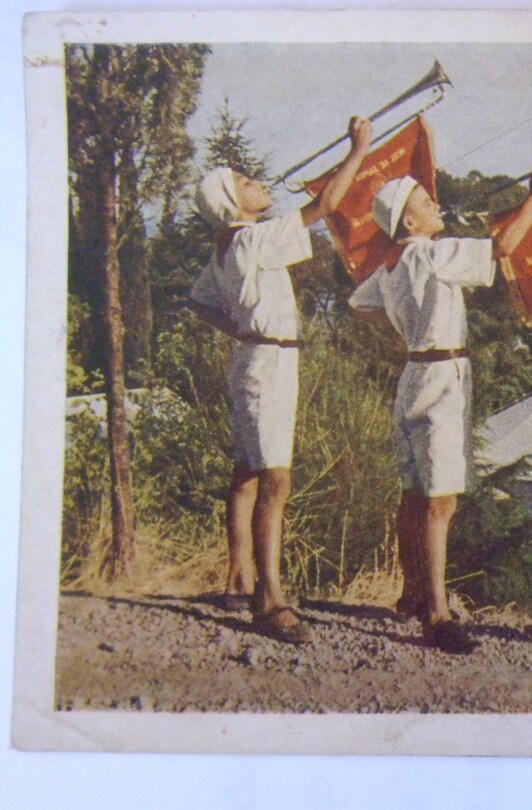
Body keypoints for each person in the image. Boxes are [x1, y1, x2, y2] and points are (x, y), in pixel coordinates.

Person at [349, 162, 532, 654]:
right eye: (425, 202)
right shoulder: (433, 254)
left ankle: (413, 592)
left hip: (413, 375)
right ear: (410, 223)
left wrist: (410, 322)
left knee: (415, 493)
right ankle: (438, 614)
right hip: (442, 379)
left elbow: (360, 303)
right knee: (442, 501)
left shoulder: (393, 264)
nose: (435, 205)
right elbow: (503, 248)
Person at [189, 116, 374, 643]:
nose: (258, 183)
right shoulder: (250, 240)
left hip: (255, 357)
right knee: (276, 479)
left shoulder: (225, 244)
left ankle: (239, 576)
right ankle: (270, 598)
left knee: (247, 470)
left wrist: (242, 328)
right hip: (268, 364)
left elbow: (198, 300)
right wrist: (357, 150)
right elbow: (325, 208)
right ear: (232, 202)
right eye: (247, 183)